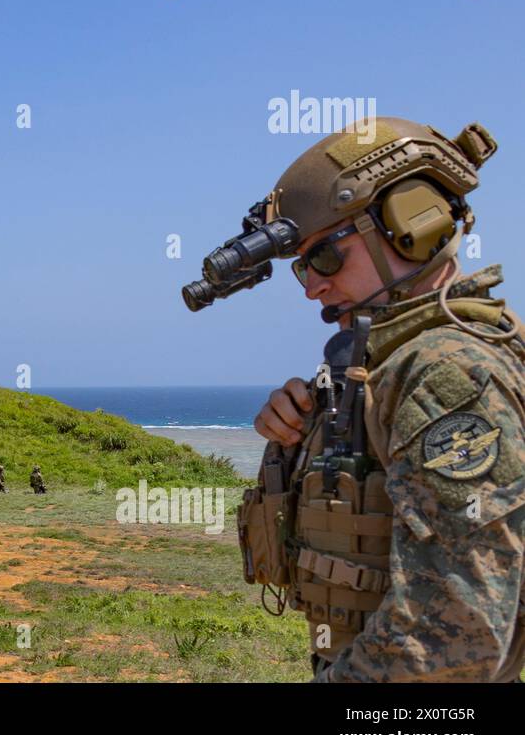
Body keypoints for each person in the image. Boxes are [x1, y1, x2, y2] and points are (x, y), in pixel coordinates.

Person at [224, 117, 525, 682]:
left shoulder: (444, 371)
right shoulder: (399, 361)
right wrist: (298, 439)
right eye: (301, 269)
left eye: (324, 259)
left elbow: (455, 637)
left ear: (407, 225)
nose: (312, 286)